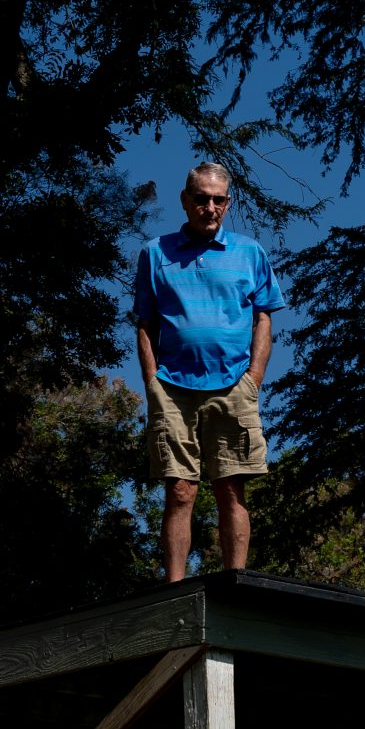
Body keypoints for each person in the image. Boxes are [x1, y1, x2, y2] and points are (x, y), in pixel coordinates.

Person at [131, 162, 285, 581]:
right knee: (180, 490)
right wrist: (151, 381)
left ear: (228, 203)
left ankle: (236, 587)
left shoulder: (250, 252)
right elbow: (145, 322)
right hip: (172, 387)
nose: (210, 207)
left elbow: (264, 316)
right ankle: (174, 590)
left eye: (219, 200)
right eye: (201, 199)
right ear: (185, 201)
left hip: (234, 385)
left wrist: (254, 377)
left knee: (231, 488)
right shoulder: (155, 253)